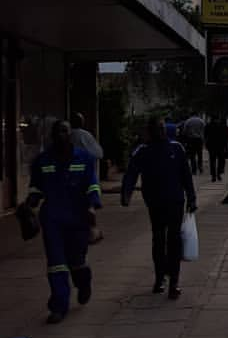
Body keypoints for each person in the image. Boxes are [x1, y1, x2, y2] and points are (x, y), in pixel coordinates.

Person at [22, 120, 102, 324]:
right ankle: (59, 306)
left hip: (78, 218)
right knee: (56, 264)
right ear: (52, 135)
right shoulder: (43, 161)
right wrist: (29, 205)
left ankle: (84, 283)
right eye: (57, 132)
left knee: (77, 262)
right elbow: (36, 188)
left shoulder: (84, 158)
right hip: (53, 219)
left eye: (64, 131)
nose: (60, 135)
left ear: (70, 135)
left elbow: (92, 185)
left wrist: (92, 207)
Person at [121, 117, 197, 299]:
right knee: (158, 239)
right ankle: (159, 277)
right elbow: (131, 172)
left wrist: (192, 198)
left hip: (176, 201)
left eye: (162, 128)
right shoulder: (143, 150)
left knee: (174, 240)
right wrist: (126, 193)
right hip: (155, 202)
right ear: (150, 131)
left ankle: (174, 281)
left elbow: (186, 175)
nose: (160, 131)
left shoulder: (176, 148)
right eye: (156, 128)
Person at [204, 115, 228, 182]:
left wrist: (206, 145)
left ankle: (213, 176)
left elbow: (205, 136)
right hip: (220, 146)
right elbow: (226, 137)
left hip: (212, 146)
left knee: (212, 161)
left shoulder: (208, 126)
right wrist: (226, 146)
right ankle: (219, 174)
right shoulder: (223, 126)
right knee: (221, 160)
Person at [180, 110, 206, 174]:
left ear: (191, 115)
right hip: (199, 139)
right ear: (197, 114)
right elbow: (204, 130)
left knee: (192, 155)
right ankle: (200, 167)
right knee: (200, 154)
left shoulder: (188, 121)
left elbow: (184, 131)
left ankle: (194, 169)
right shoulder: (201, 121)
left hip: (191, 140)